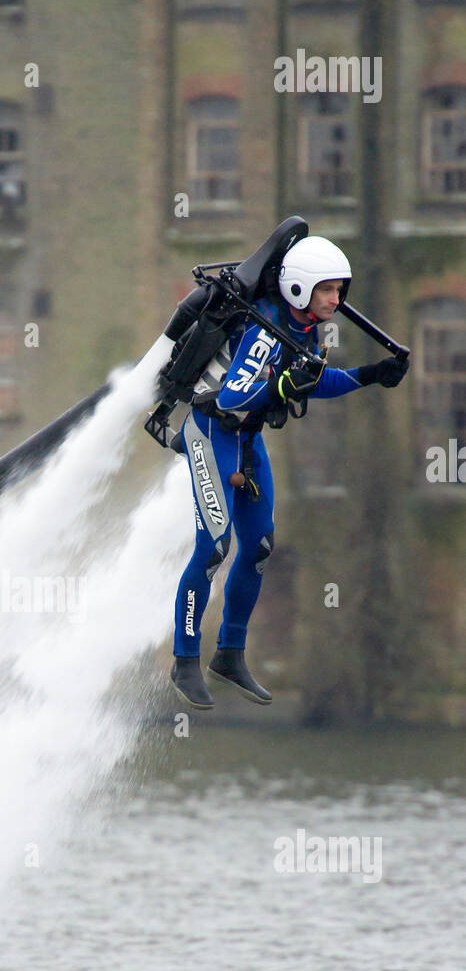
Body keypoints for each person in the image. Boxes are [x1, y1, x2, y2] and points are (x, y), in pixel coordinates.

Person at [170, 235, 409, 710]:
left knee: (258, 545)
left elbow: (312, 380)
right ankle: (184, 661)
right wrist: (280, 384)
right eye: (328, 291)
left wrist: (370, 375)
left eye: (340, 290)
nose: (336, 300)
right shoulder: (265, 329)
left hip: (246, 439)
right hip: (211, 431)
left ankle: (230, 654)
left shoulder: (305, 329)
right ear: (300, 289)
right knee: (214, 547)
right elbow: (233, 396)